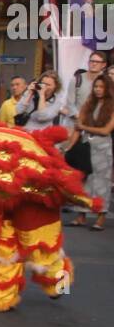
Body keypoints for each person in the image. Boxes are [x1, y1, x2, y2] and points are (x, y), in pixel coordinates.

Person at [65, 75, 114, 231]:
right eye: (96, 87)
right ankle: (81, 216)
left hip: (103, 147)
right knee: (84, 180)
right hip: (86, 146)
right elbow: (78, 127)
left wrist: (84, 128)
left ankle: (100, 217)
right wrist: (68, 147)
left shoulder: (112, 105)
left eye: (101, 87)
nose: (98, 90)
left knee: (102, 182)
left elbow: (106, 130)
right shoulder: (89, 103)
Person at [65, 50, 108, 128]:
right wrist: (80, 118)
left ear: (103, 65)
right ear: (88, 62)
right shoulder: (76, 79)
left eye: (97, 62)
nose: (94, 64)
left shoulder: (107, 81)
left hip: (98, 125)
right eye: (92, 61)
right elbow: (70, 103)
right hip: (76, 124)